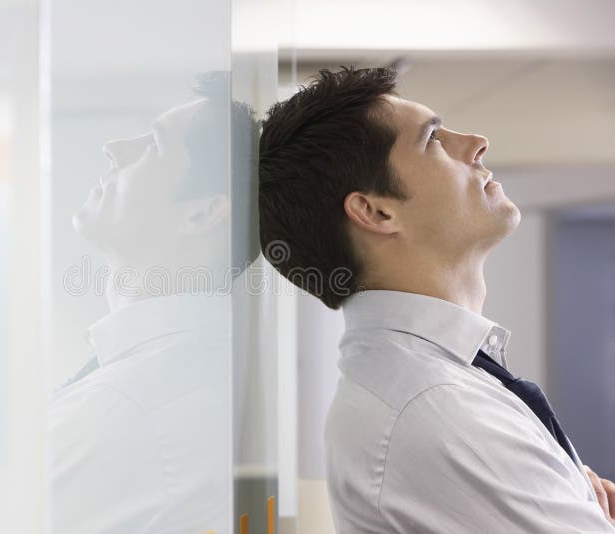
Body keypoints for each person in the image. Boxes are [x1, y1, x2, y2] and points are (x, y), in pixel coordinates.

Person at [257, 65, 615, 532]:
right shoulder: (440, 408)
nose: (476, 142)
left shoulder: (435, 386)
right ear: (375, 211)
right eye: (433, 139)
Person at [46, 71, 260, 534]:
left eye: (154, 145)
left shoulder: (125, 408)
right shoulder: (197, 376)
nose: (114, 148)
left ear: (201, 213)